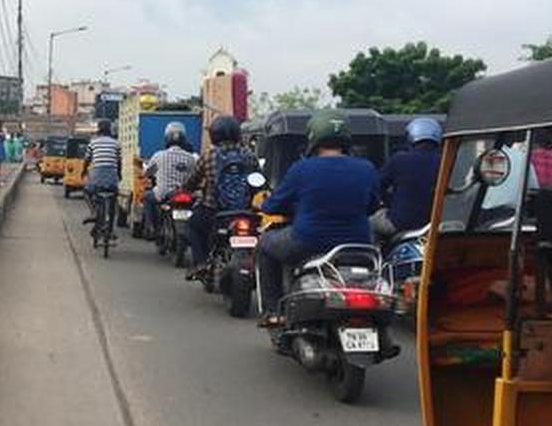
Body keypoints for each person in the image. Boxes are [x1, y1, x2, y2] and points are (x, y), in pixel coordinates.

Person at [256, 110, 381, 327]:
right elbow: (372, 206)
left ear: (313, 137)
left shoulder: (302, 169)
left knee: (265, 244)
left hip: (307, 242)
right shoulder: (366, 168)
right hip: (359, 244)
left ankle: (273, 311)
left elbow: (272, 206)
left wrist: (266, 204)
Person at [183, 116, 258, 279]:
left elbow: (192, 180)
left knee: (191, 227)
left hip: (213, 210)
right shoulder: (249, 155)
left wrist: (188, 189)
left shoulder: (208, 155)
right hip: (244, 210)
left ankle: (201, 263)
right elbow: (258, 179)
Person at [371, 117, 443, 240]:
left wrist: (387, 201)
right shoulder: (444, 161)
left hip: (399, 223)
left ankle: (375, 252)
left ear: (411, 137)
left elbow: (376, 187)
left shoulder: (399, 159)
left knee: (369, 222)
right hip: (435, 223)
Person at [142, 122, 198, 236]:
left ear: (166, 139)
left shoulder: (159, 155)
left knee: (147, 196)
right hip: (184, 193)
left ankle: (152, 228)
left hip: (163, 194)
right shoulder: (191, 158)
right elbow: (195, 176)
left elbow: (147, 173)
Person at [82, 119, 123, 232]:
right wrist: (119, 175)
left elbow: (87, 160)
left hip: (97, 177)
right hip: (112, 177)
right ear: (110, 129)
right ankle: (110, 230)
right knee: (113, 199)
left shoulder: (93, 143)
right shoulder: (116, 143)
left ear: (99, 129)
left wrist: (84, 171)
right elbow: (119, 161)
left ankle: (94, 212)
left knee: (86, 191)